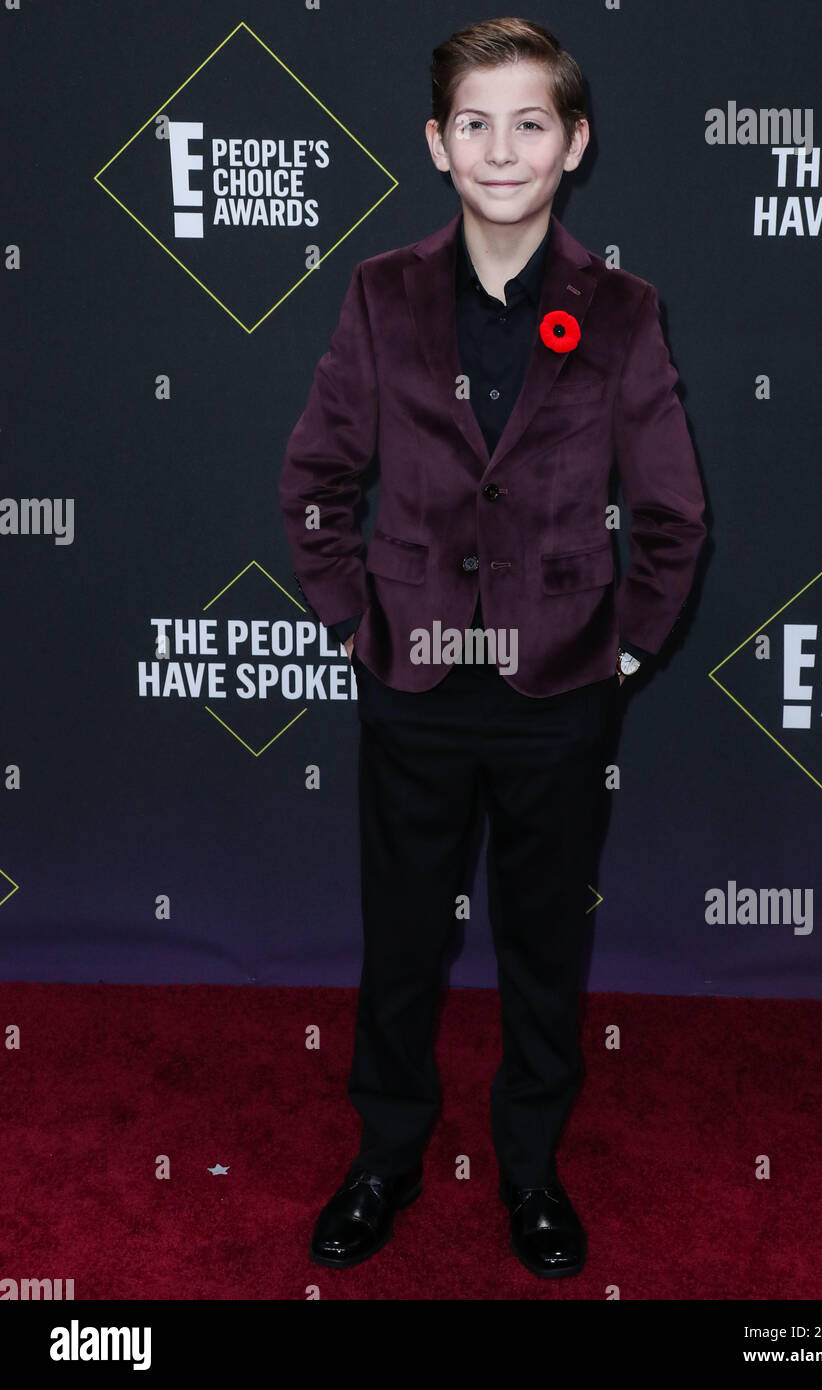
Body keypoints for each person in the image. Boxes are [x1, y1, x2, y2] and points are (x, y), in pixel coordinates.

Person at [278, 17, 707, 1279]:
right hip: (410, 684)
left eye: (530, 122)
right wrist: (354, 619)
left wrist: (621, 653)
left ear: (573, 144)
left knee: (542, 943)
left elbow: (674, 514)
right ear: (434, 143)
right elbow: (315, 477)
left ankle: (530, 1168)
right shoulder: (379, 292)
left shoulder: (622, 312)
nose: (501, 147)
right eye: (475, 122)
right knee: (401, 938)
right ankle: (386, 1156)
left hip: (559, 691)